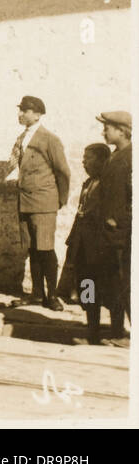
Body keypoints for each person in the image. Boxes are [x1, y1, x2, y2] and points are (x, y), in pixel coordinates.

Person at [10, 95, 71, 310]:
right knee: (32, 249)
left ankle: (52, 296)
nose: (20, 114)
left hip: (44, 203)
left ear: (37, 114)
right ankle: (37, 294)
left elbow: (63, 172)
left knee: (45, 249)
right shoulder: (21, 138)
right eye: (20, 110)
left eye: (24, 110)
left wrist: (59, 200)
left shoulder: (49, 139)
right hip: (25, 202)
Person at [62, 143, 118, 344]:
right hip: (83, 247)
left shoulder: (108, 185)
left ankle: (116, 331)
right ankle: (92, 329)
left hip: (100, 248)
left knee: (107, 290)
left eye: (89, 158)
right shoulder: (87, 183)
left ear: (103, 160)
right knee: (87, 288)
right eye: (84, 158)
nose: (84, 162)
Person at [96, 110, 131, 343]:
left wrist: (120, 221)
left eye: (107, 127)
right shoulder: (115, 155)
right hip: (110, 234)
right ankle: (116, 332)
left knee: (126, 283)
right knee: (112, 283)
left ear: (121, 130)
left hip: (122, 234)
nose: (104, 131)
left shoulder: (131, 157)